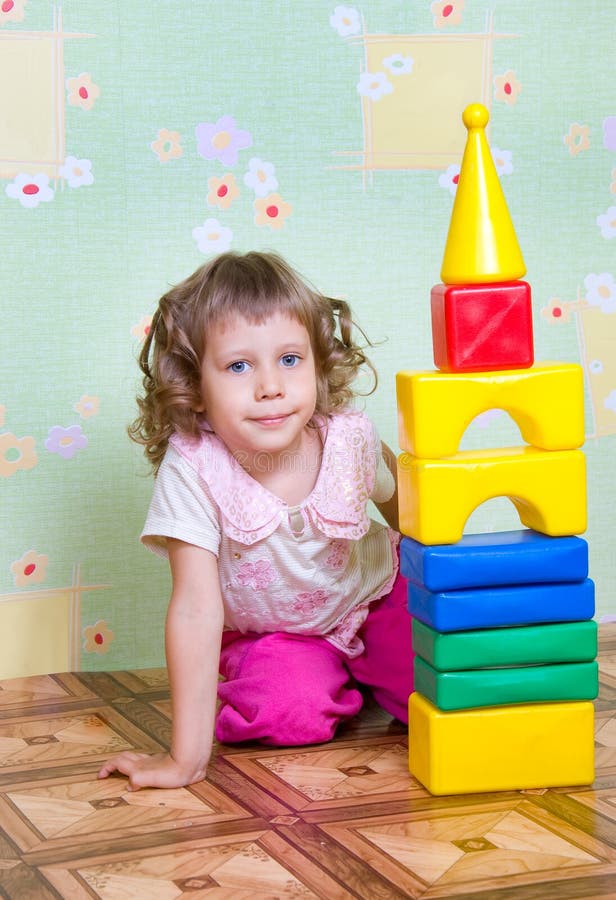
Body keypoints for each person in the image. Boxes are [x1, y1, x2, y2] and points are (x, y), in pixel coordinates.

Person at [98, 250, 413, 790]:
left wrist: (452, 583)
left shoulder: (348, 439)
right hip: (278, 633)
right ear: (195, 384)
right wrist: (185, 760)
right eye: (239, 366)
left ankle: (374, 670)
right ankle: (333, 680)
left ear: (318, 362)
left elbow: (410, 511)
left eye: (289, 359)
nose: (270, 386)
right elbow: (196, 608)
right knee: (284, 715)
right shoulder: (194, 469)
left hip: (375, 596)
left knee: (441, 682)